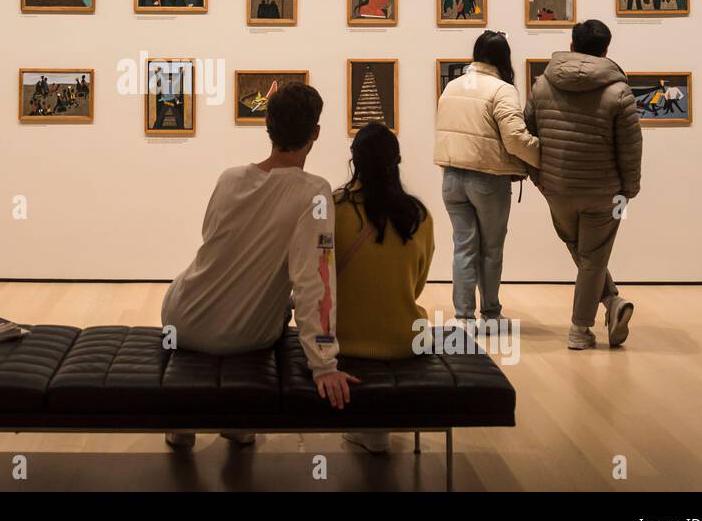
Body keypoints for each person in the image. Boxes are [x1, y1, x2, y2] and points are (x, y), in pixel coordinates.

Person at [161, 82, 358, 449]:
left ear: (267, 124)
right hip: (242, 336)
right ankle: (236, 422)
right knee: (276, 308)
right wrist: (324, 365)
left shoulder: (230, 177)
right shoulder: (313, 192)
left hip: (181, 317)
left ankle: (184, 423)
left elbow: (211, 239)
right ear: (315, 132)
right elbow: (313, 281)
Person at [524, 20, 641, 350]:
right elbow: (631, 147)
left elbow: (527, 135)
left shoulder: (542, 86)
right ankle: (580, 329)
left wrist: (538, 178)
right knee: (593, 257)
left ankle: (613, 303)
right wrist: (628, 189)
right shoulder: (618, 92)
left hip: (556, 190)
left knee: (584, 253)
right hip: (603, 193)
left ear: (572, 45)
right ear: (606, 51)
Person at [334, 122, 434, 453]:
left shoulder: (334, 208)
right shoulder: (418, 215)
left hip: (343, 340)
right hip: (406, 340)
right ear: (397, 161)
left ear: (355, 160)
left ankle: (369, 428)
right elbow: (416, 285)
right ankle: (377, 430)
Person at [433, 31, 540, 322]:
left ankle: (464, 317)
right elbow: (516, 139)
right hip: (488, 178)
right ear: (504, 58)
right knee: (491, 249)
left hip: (452, 178)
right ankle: (491, 312)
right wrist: (542, 157)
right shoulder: (501, 89)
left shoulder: (452, 86)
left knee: (463, 246)